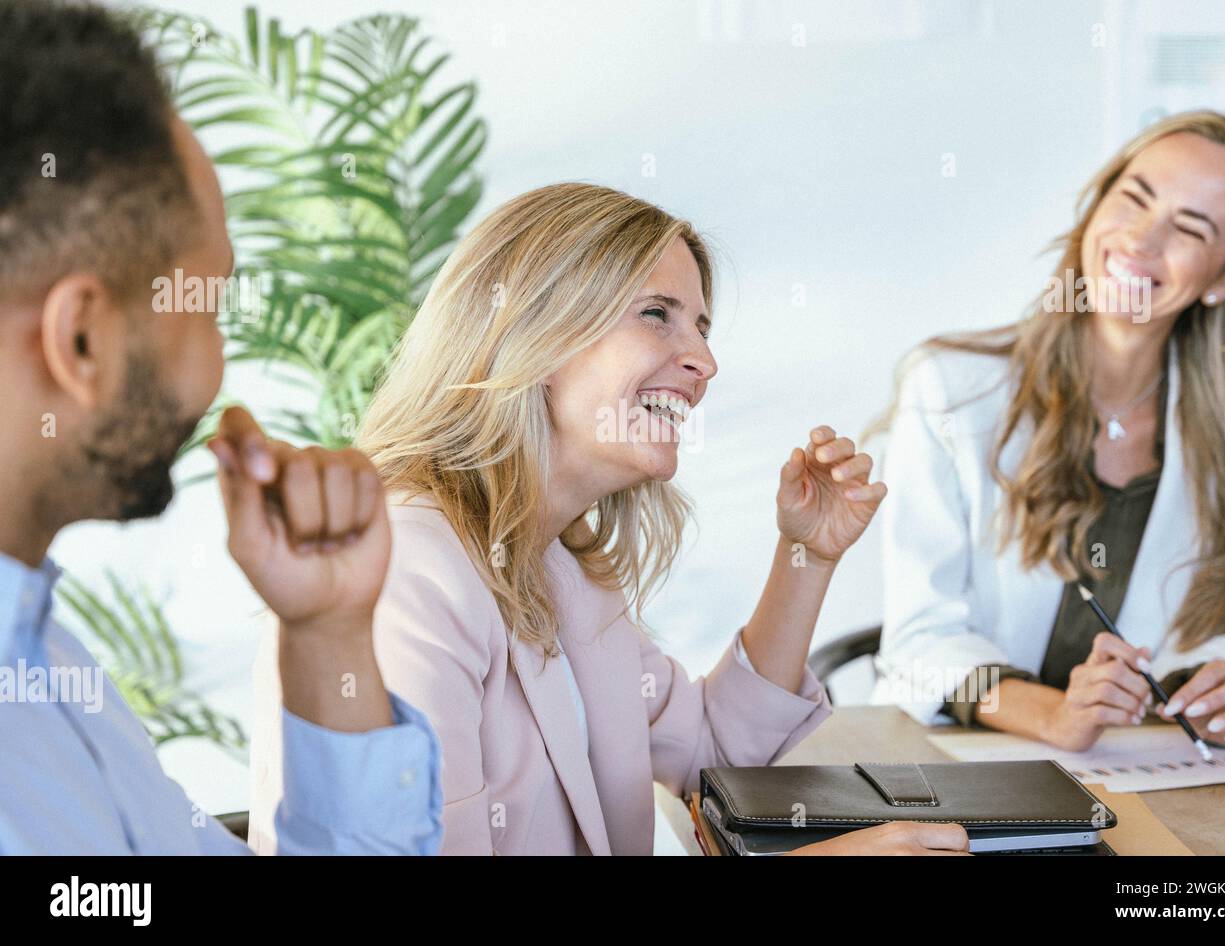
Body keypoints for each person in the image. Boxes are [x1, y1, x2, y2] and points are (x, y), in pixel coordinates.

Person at [248, 182, 970, 855]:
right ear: (534, 335)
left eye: (701, 326)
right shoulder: (404, 569)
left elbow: (713, 754)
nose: (705, 361)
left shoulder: (561, 565)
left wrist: (806, 555)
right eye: (656, 314)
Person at [0, 0, 442, 854]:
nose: (219, 366)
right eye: (205, 304)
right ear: (81, 341)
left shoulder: (50, 665)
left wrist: (328, 634)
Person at [871, 111, 1225, 752]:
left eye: (1190, 227)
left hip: (1151, 776)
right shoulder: (950, 389)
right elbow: (919, 640)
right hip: (963, 773)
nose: (1143, 241)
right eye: (1135, 197)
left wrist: (1223, 683)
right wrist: (1052, 715)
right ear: (1097, 205)